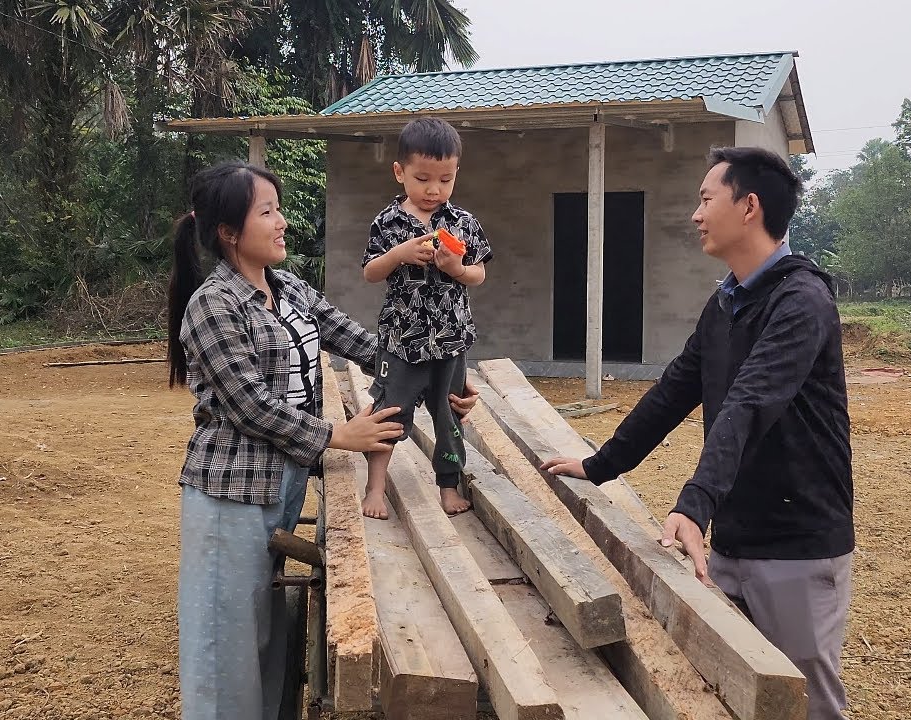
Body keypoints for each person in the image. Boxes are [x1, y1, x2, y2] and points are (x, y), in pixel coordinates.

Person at [542, 147, 854, 720]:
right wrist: (600, 464)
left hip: (796, 542)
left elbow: (751, 400)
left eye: (706, 198)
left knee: (806, 705)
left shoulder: (801, 300)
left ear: (750, 207)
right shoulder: (727, 301)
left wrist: (695, 502)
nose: (696, 214)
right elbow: (674, 391)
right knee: (734, 693)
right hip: (733, 539)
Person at [167, 161, 479, 720]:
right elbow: (250, 406)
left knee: (265, 633)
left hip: (282, 484)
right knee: (224, 648)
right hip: (230, 496)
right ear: (228, 233)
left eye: (279, 208)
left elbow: (358, 340)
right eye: (268, 212)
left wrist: (441, 377)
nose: (283, 222)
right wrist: (340, 433)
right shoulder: (213, 306)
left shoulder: (285, 288)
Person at [360, 117, 493, 519]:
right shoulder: (386, 223)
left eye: (445, 179)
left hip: (450, 339)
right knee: (389, 413)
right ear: (400, 173)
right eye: (423, 179)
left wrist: (456, 268)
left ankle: (448, 488)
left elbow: (479, 273)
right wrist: (399, 254)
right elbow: (370, 272)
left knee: (449, 412)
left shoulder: (462, 222)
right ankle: (375, 489)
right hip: (401, 340)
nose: (434, 190)